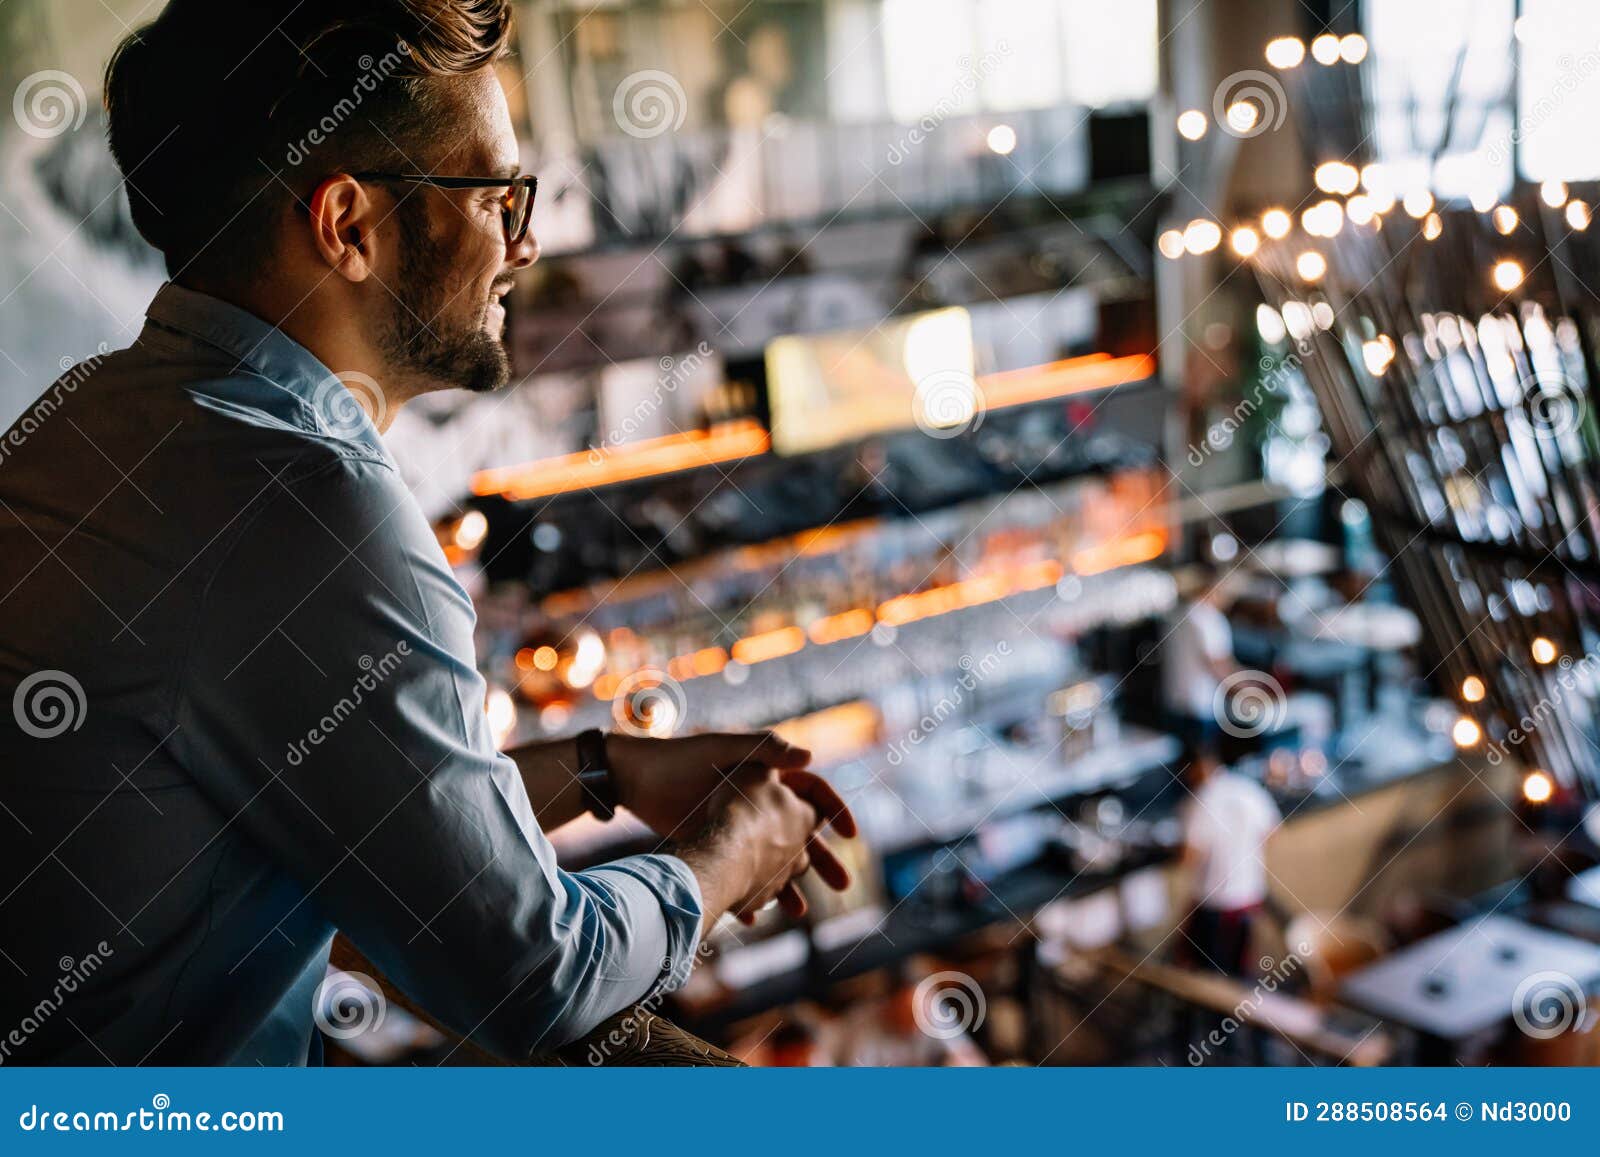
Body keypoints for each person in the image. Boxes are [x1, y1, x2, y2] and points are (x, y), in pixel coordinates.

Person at [0, 0, 853, 1065]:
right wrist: (729, 856)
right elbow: (532, 979)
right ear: (349, 224)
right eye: (496, 195)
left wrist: (604, 768)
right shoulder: (302, 503)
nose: (525, 241)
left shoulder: (97, 418)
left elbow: (362, 825)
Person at [1175, 741, 1280, 978]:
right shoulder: (1247, 788)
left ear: (1192, 769)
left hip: (1216, 902)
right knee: (1240, 967)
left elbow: (1188, 857)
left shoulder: (1199, 801)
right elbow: (1273, 832)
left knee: (1209, 972)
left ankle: (1216, 1014)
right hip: (1250, 893)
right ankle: (1238, 1011)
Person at [1161, 568, 1240, 744]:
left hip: (1174, 702)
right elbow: (1217, 665)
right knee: (1204, 763)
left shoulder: (1177, 614)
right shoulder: (1209, 619)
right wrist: (1250, 689)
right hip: (1202, 705)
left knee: (1183, 764)